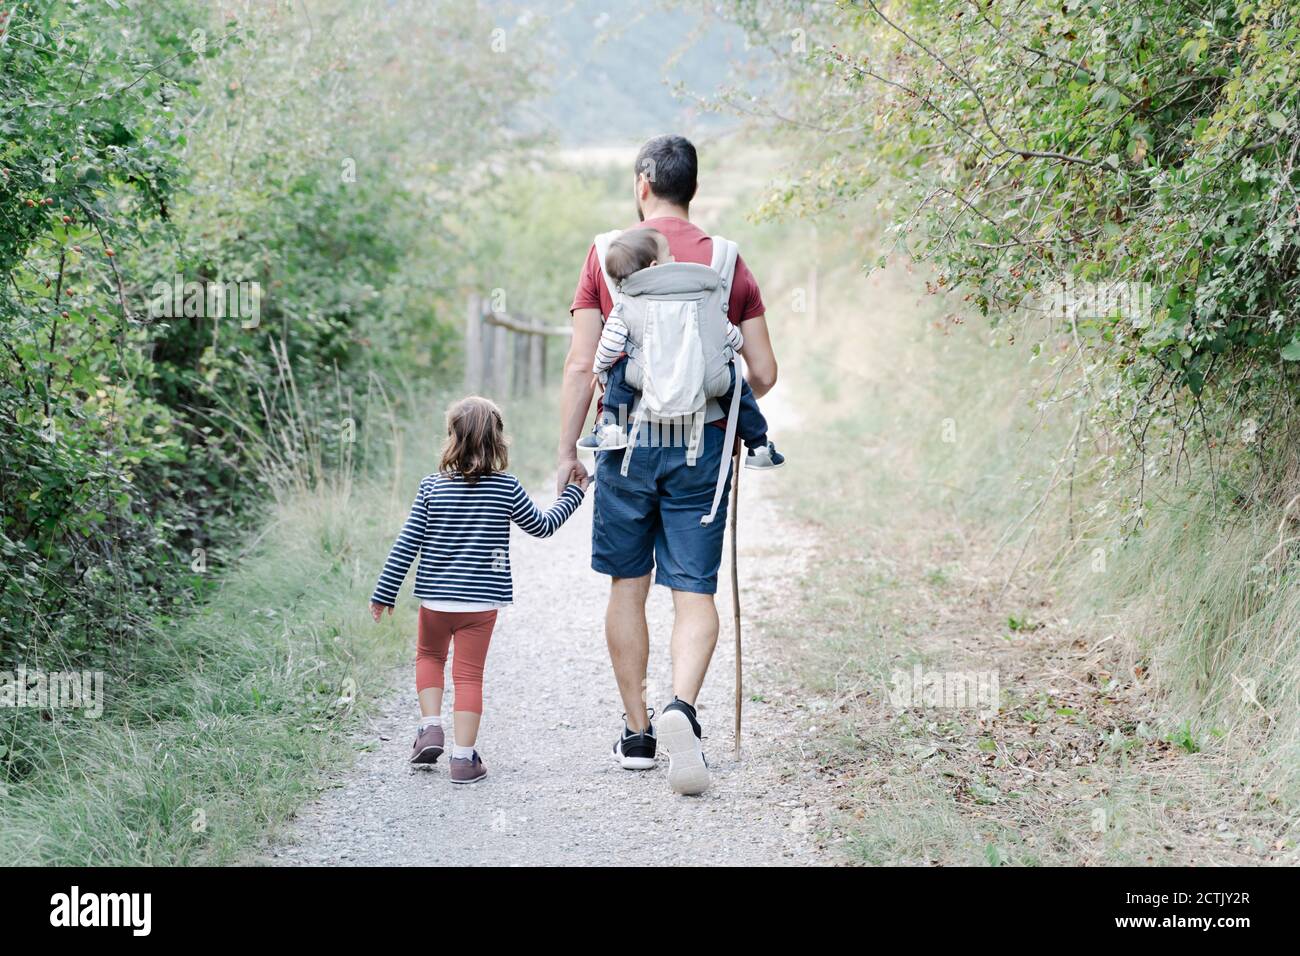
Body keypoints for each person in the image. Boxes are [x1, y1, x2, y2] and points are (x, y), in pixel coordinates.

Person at [556, 134, 780, 794]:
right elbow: (764, 372)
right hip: (701, 448)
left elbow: (582, 365)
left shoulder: (606, 255)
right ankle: (682, 706)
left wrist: (567, 450)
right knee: (694, 592)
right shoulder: (727, 261)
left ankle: (637, 733)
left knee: (627, 585)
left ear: (643, 184)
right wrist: (716, 399)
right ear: (694, 189)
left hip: (625, 443)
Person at [371, 396, 586, 785]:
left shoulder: (431, 487)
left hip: (435, 601)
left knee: (429, 657)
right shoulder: (506, 487)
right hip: (479, 605)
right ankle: (463, 759)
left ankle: (430, 728)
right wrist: (573, 494)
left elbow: (406, 543)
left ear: (452, 438)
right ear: (497, 440)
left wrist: (384, 592)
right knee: (469, 676)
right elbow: (542, 526)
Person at [577, 227, 785, 470]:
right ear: (655, 265)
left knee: (618, 371)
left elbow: (610, 345)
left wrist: (599, 368)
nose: (675, 258)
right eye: (669, 254)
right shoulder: (703, 294)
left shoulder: (626, 303)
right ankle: (758, 446)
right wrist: (735, 349)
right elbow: (729, 335)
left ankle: (612, 428)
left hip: (645, 376)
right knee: (736, 388)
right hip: (705, 380)